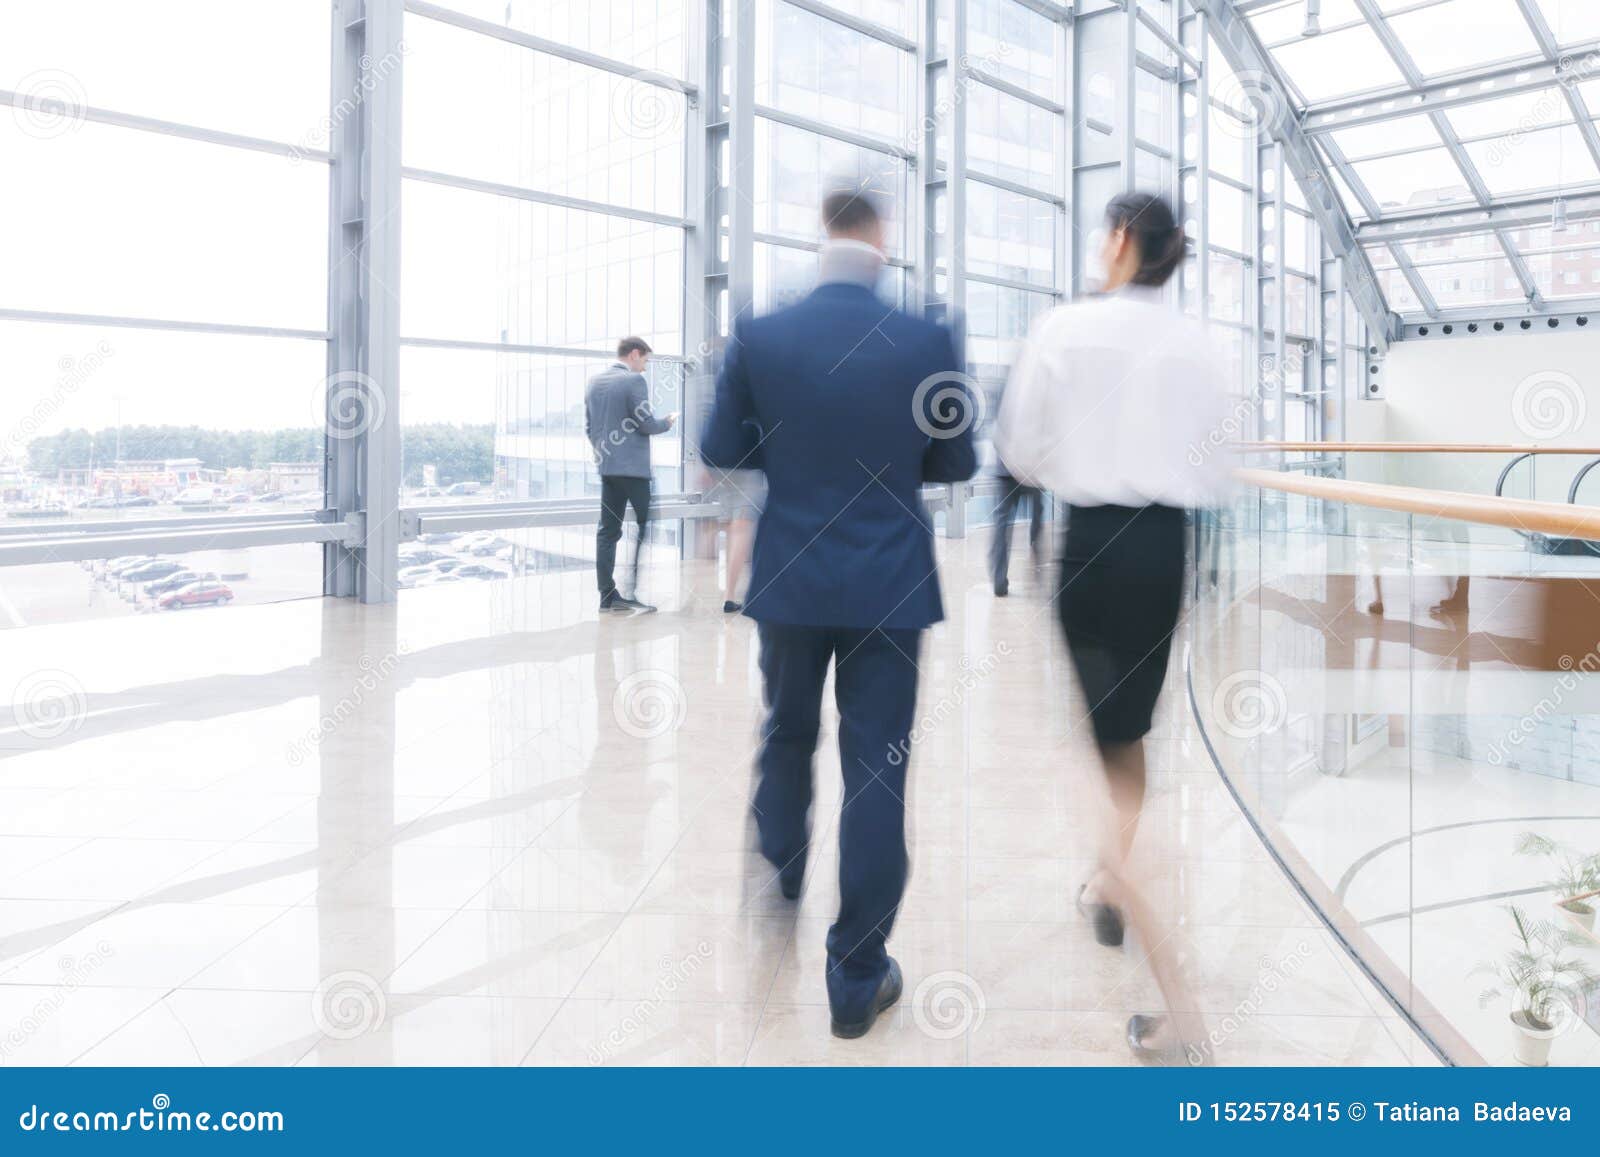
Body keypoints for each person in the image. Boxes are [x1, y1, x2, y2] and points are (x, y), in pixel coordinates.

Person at [701, 189, 977, 1040]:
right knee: (877, 768)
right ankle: (857, 976)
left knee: (786, 728)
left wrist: (788, 445)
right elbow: (955, 459)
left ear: (822, 230)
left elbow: (721, 448)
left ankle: (782, 866)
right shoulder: (929, 338)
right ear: (880, 238)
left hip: (791, 574)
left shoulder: (762, 331)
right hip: (889, 582)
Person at [994, 191, 1229, 1065]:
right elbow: (1225, 459)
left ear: (1124, 241)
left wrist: (1079, 458)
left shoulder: (1066, 330)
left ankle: (1182, 1001)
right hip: (1166, 551)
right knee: (1123, 741)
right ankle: (1105, 883)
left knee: (1101, 768)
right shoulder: (1204, 345)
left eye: (1105, 234)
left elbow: (1020, 452)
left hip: (1092, 545)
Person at [585, 337, 676, 613]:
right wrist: (668, 422)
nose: (645, 368)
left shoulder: (594, 382)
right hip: (635, 473)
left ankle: (607, 596)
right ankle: (631, 591)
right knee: (645, 526)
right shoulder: (634, 382)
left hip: (608, 469)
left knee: (608, 532)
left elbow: (590, 428)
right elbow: (646, 424)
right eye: (645, 361)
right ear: (635, 354)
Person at [700, 462, 765, 613]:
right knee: (741, 533)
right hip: (746, 472)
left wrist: (706, 468)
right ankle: (734, 596)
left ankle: (729, 595)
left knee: (733, 531)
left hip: (723, 473)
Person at [989, 458, 1044, 597]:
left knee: (1001, 524)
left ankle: (999, 581)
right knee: (1037, 518)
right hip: (1033, 470)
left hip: (1006, 469)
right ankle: (1038, 573)